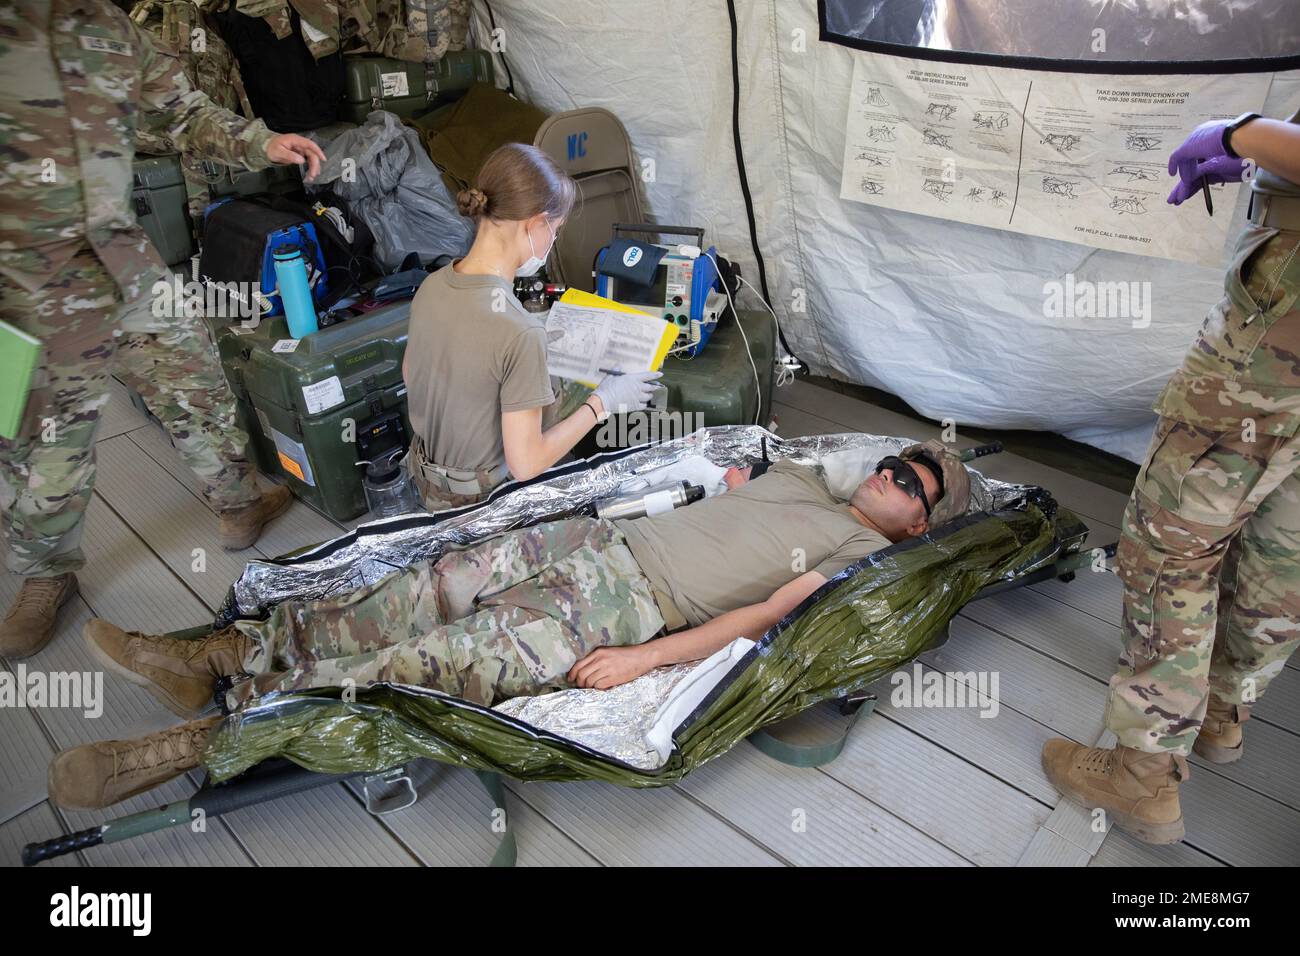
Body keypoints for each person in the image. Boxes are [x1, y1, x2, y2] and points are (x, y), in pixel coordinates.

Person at [49, 441, 971, 809]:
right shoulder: (807, 476)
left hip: (625, 606)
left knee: (422, 666)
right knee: (409, 591)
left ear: (920, 522)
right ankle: (217, 653)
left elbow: (764, 618)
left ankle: (193, 742)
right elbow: (732, 486)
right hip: (592, 537)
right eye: (893, 461)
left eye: (913, 482)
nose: (890, 473)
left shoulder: (857, 559)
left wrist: (646, 657)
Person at [0, 1, 328, 660]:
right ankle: (46, 571)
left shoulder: (110, 28)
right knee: (41, 442)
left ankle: (237, 502)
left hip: (119, 257)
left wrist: (258, 141)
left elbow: (179, 111)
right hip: (20, 285)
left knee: (195, 379)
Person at [1043, 109, 1300, 845]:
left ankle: (1142, 780)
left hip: (1269, 359)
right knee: (1284, 556)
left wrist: (1237, 133)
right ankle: (1223, 714)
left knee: (1170, 559)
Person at [400, 143, 662, 510]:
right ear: (536, 223)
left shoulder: (432, 285)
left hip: (424, 481)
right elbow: (526, 464)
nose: (553, 240)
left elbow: (413, 375)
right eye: (555, 229)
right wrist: (604, 402)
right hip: (481, 507)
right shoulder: (518, 332)